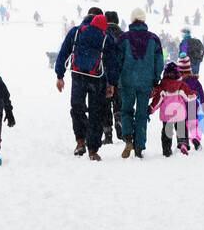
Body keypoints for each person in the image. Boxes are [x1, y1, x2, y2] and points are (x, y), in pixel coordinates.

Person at [54, 10, 117, 160]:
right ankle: (93, 149)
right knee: (96, 112)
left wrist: (59, 75)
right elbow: (112, 62)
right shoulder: (105, 36)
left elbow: (63, 53)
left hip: (78, 76)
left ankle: (80, 141)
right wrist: (112, 83)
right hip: (97, 78)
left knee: (77, 108)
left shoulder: (76, 32)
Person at [115, 9, 163, 159]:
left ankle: (128, 138)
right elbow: (159, 62)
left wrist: (117, 79)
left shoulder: (123, 38)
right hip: (146, 81)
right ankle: (139, 147)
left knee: (126, 110)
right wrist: (155, 79)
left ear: (132, 19)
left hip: (127, 80)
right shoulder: (154, 39)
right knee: (142, 114)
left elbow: (117, 61)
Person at [149, 61, 196, 156]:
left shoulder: (162, 87)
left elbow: (157, 101)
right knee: (181, 129)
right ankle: (183, 143)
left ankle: (167, 150)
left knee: (167, 133)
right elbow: (188, 96)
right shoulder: (182, 85)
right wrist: (194, 94)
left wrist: (151, 109)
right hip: (180, 114)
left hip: (167, 116)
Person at [102, 10, 125, 144]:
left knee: (105, 105)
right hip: (120, 76)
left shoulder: (102, 34)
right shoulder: (123, 36)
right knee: (119, 102)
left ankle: (108, 134)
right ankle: (119, 120)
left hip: (104, 75)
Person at [178, 54, 204, 150]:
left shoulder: (179, 82)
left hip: (181, 107)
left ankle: (183, 144)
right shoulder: (195, 81)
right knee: (193, 125)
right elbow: (201, 94)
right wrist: (202, 105)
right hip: (193, 106)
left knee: (182, 125)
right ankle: (195, 138)